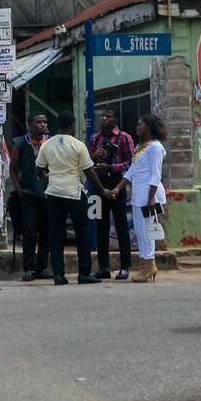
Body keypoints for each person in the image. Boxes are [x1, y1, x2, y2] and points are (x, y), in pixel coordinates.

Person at [35, 110, 109, 285]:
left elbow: (39, 169)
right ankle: (84, 274)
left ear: (58, 125)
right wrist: (102, 189)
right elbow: (89, 172)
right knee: (82, 233)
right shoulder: (78, 145)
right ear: (73, 125)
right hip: (74, 194)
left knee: (56, 234)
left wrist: (48, 177)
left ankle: (58, 275)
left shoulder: (47, 145)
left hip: (53, 194)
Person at [108, 114, 167, 282]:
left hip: (149, 196)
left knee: (147, 233)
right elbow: (132, 171)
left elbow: (156, 175)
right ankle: (146, 265)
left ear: (148, 127)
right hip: (138, 195)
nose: (137, 127)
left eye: (140, 124)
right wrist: (118, 188)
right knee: (140, 232)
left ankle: (149, 266)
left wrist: (151, 198)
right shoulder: (141, 147)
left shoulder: (155, 147)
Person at [89, 107, 135, 280]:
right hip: (99, 184)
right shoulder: (95, 138)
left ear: (116, 119)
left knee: (121, 225)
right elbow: (87, 163)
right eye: (103, 116)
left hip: (117, 184)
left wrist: (111, 167)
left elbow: (131, 163)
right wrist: (94, 156)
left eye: (109, 116)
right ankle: (103, 267)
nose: (105, 119)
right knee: (101, 226)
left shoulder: (124, 137)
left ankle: (125, 267)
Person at [9, 112, 50, 282]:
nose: (42, 124)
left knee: (47, 233)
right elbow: (12, 169)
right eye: (39, 121)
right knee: (29, 233)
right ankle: (29, 268)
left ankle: (42, 268)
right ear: (30, 124)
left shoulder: (49, 142)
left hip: (48, 194)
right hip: (28, 195)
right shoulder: (20, 143)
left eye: (45, 121)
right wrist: (19, 189)